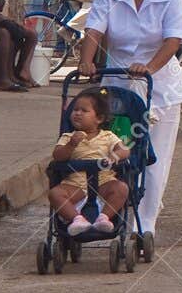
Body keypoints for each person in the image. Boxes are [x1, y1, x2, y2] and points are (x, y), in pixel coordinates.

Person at [76, 0, 182, 257]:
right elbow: (95, 29)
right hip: (117, 92)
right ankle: (103, 212)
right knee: (112, 153)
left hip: (160, 90)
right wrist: (86, 60)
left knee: (152, 159)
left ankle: (145, 224)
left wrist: (150, 67)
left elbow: (174, 40)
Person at [47, 87, 131, 238]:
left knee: (122, 188)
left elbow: (125, 150)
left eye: (83, 111)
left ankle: (103, 217)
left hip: (103, 182)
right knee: (55, 194)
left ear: (98, 118)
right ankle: (77, 219)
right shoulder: (68, 137)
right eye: (75, 110)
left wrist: (114, 156)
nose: (77, 113)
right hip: (76, 184)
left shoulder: (108, 136)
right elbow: (58, 156)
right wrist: (71, 145)